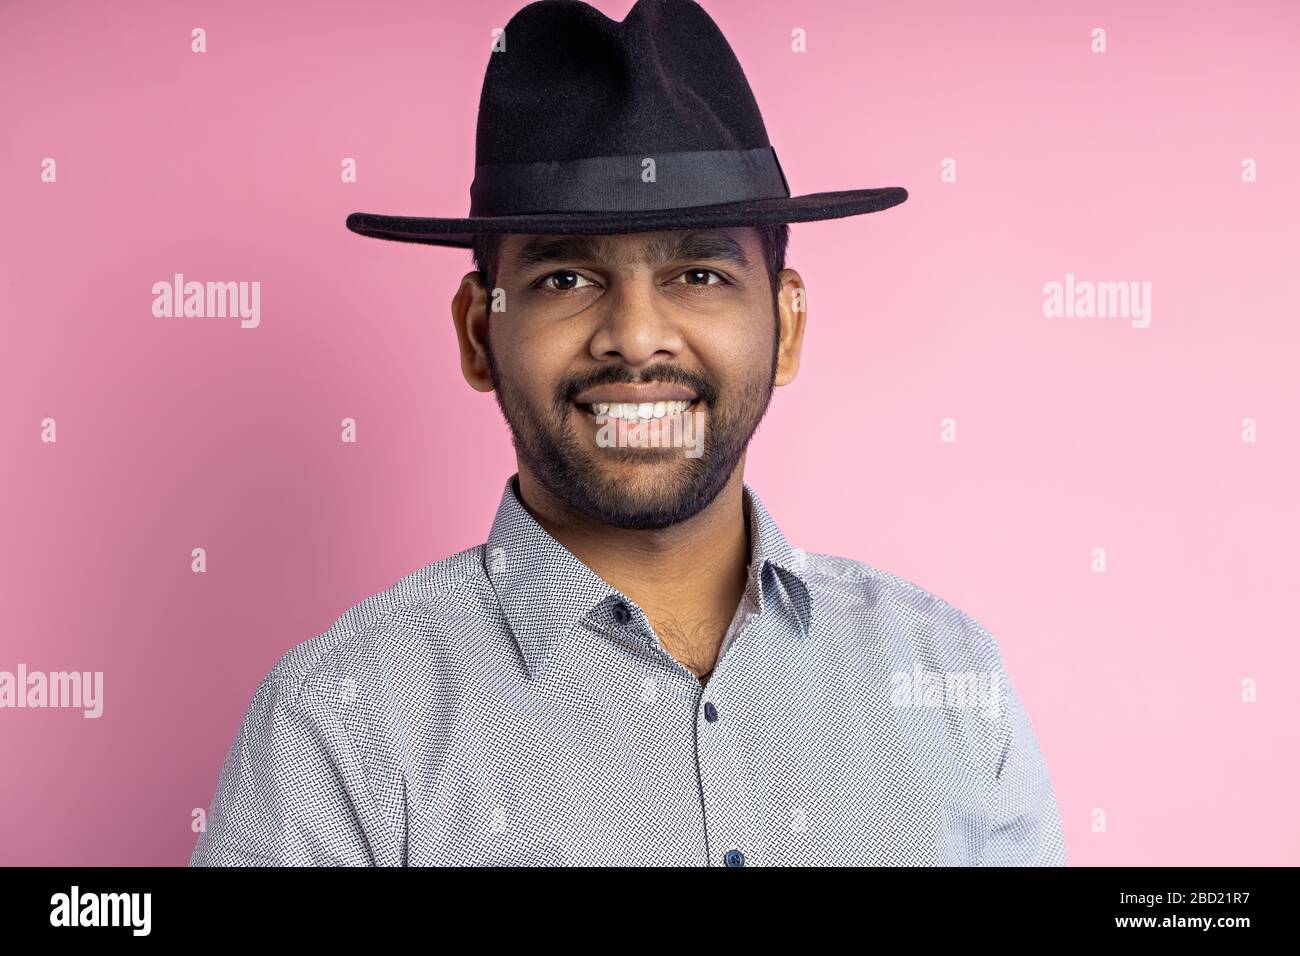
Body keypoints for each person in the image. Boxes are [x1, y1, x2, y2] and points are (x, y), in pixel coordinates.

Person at [191, 0, 1064, 866]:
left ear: (787, 325)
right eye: (567, 275)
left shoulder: (951, 681)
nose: (637, 335)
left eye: (698, 271)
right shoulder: (338, 728)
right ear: (477, 333)